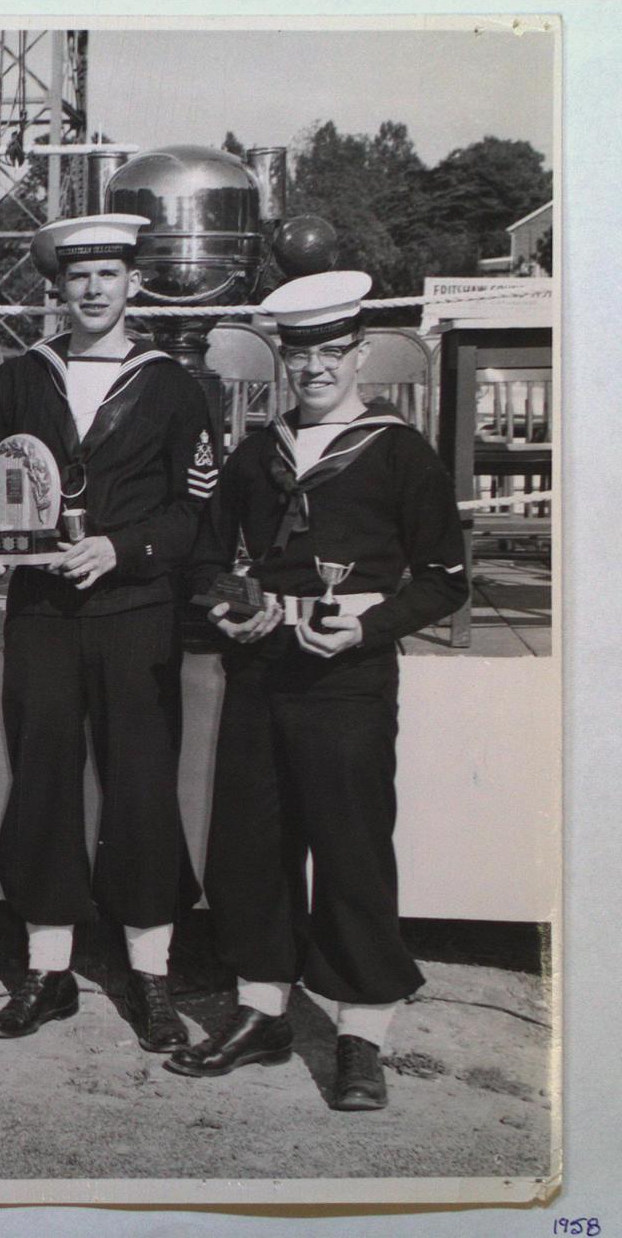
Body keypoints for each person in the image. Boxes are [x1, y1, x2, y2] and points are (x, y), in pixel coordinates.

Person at [170, 270, 469, 1111]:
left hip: (348, 682)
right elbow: (203, 558)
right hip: (261, 675)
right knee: (250, 848)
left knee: (350, 852)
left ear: (361, 353)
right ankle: (263, 1013)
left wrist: (370, 627)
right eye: (299, 356)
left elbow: (446, 581)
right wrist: (231, 607)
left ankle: (361, 1033)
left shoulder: (400, 452)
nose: (315, 370)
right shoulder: (254, 454)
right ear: (281, 363)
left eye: (332, 353)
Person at [0, 215, 215, 1051]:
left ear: (134, 282)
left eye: (108, 275)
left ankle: (151, 975)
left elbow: (196, 510)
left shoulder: (173, 384)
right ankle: (47, 971)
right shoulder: (22, 376)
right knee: (45, 783)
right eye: (78, 276)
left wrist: (124, 548)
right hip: (44, 616)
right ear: (61, 286)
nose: (92, 290)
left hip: (137, 618)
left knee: (140, 789)